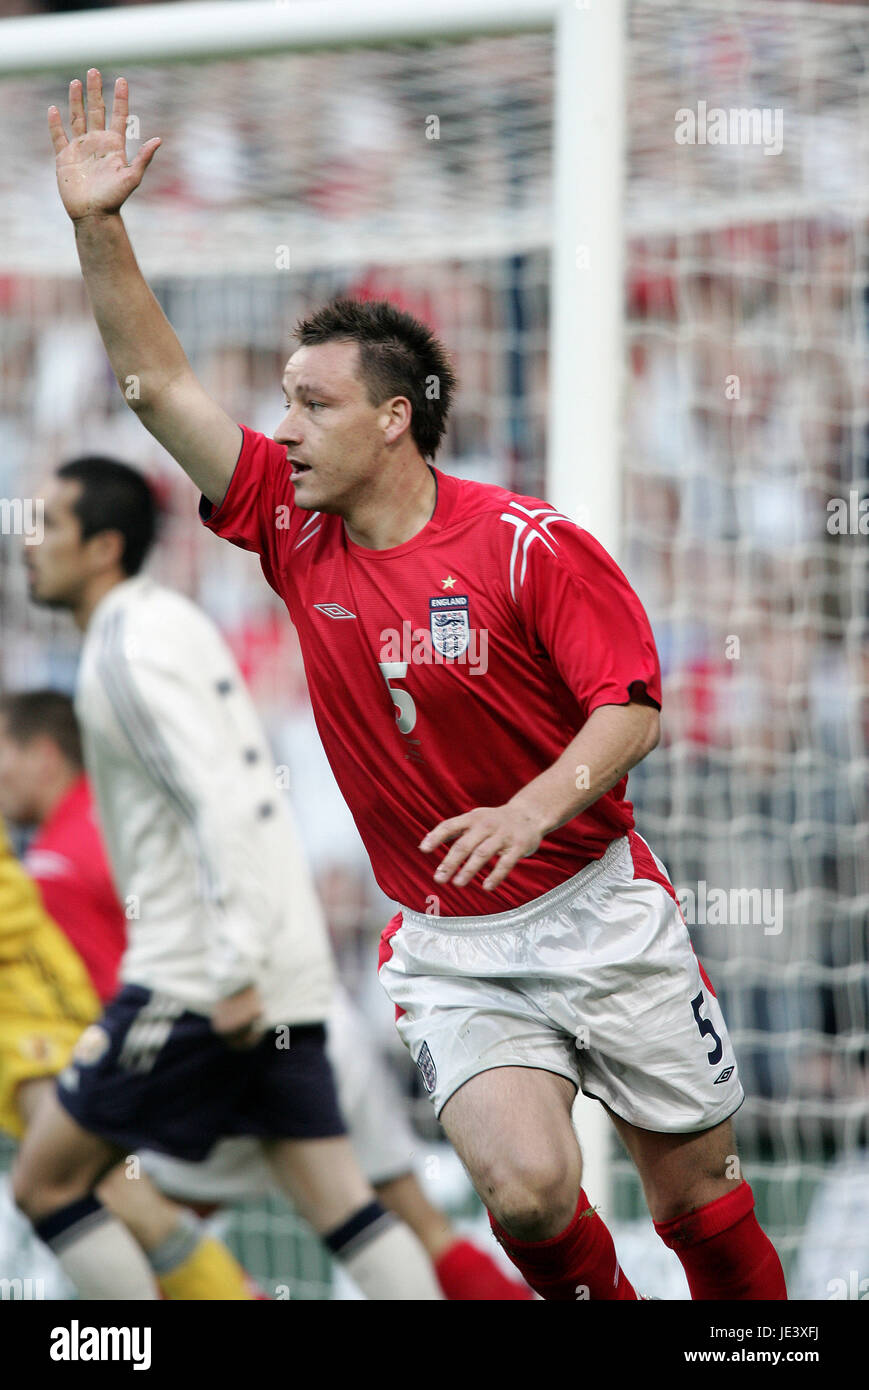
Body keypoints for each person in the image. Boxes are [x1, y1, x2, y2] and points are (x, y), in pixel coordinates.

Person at [44, 70, 787, 1301]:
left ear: (394, 419)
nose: (281, 426)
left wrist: (531, 808)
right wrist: (97, 226)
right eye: (281, 399)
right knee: (532, 1193)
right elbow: (160, 389)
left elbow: (630, 704)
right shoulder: (293, 531)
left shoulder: (524, 544)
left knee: (694, 1203)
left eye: (312, 402)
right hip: (448, 942)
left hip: (597, 907)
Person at [13, 455, 441, 1301]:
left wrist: (237, 961)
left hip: (198, 975)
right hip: (269, 971)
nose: (29, 545)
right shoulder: (161, 626)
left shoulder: (124, 648)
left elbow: (221, 794)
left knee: (47, 1182)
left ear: (103, 547)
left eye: (50, 526)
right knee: (342, 1205)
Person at [0, 689, 530, 1299]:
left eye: (6, 752)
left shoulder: (54, 867)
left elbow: (106, 1007)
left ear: (45, 755)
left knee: (105, 1200)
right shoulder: (145, 809)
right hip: (317, 1011)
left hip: (222, 1035)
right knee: (404, 1224)